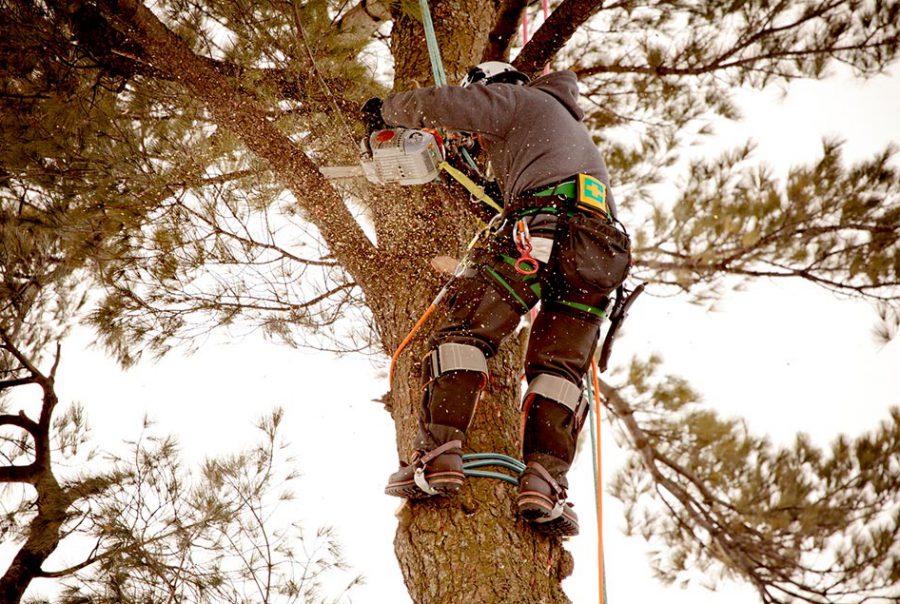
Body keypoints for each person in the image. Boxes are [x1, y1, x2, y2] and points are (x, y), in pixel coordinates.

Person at [362, 61, 631, 536]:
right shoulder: (556, 131)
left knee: (466, 334)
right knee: (559, 371)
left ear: (491, 87)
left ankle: (437, 457)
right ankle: (544, 485)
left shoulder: (517, 100)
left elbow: (442, 104)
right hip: (599, 252)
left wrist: (385, 111)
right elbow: (498, 201)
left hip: (542, 230)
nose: (480, 142)